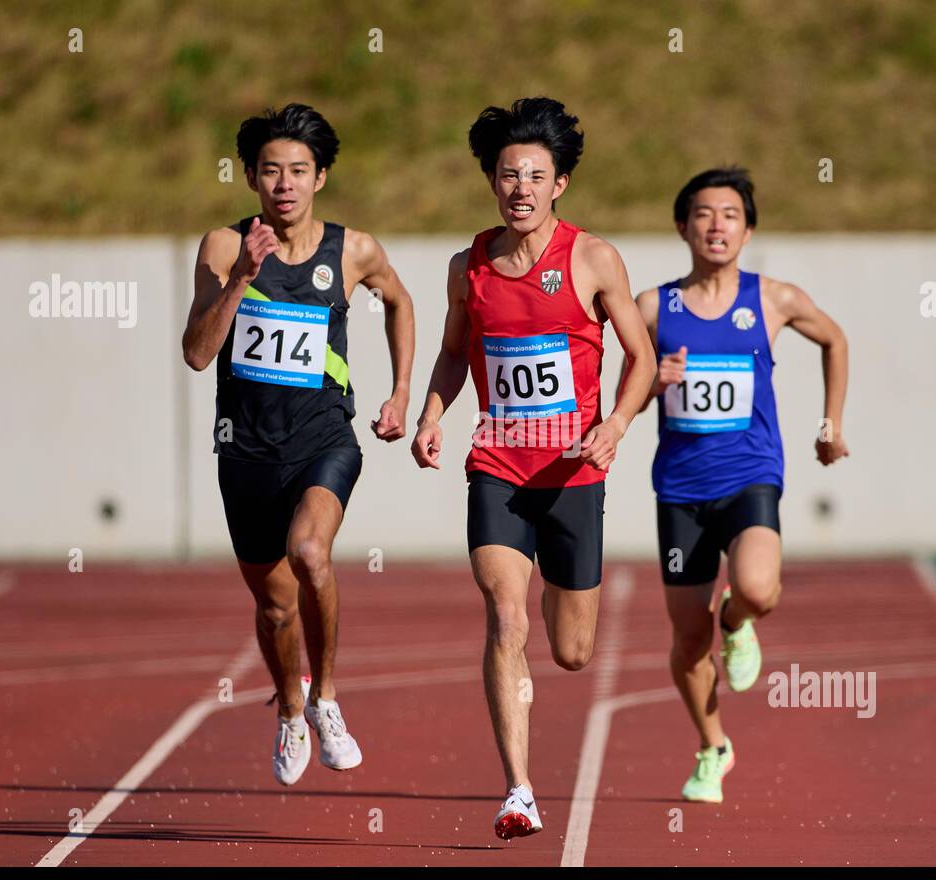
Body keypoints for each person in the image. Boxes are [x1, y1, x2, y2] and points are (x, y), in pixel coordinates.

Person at [410, 97, 656, 839]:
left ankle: (558, 589)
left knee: (573, 654)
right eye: (507, 173)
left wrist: (614, 425)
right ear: (491, 180)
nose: (520, 187)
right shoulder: (468, 266)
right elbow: (456, 351)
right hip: (499, 469)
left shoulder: (593, 259)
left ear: (561, 185)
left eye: (535, 175)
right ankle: (518, 789)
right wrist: (430, 414)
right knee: (504, 615)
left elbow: (641, 358)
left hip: (575, 475)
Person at [182, 103, 415, 786]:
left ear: (320, 178)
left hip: (324, 440)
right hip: (247, 452)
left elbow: (399, 301)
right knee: (276, 604)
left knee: (310, 552)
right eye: (271, 171)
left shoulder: (354, 250)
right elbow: (198, 355)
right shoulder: (224, 248)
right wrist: (240, 281)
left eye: (299, 171)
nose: (285, 183)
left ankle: (328, 699)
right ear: (251, 177)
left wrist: (401, 392)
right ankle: (290, 706)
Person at [629, 167, 849, 803]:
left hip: (752, 474)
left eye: (729, 214)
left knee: (758, 587)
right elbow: (622, 402)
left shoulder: (772, 298)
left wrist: (831, 423)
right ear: (682, 226)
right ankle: (713, 746)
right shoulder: (654, 306)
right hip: (679, 491)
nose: (716, 225)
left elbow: (834, 339)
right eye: (703, 213)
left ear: (748, 230)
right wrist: (654, 382)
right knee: (686, 639)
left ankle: (738, 619)